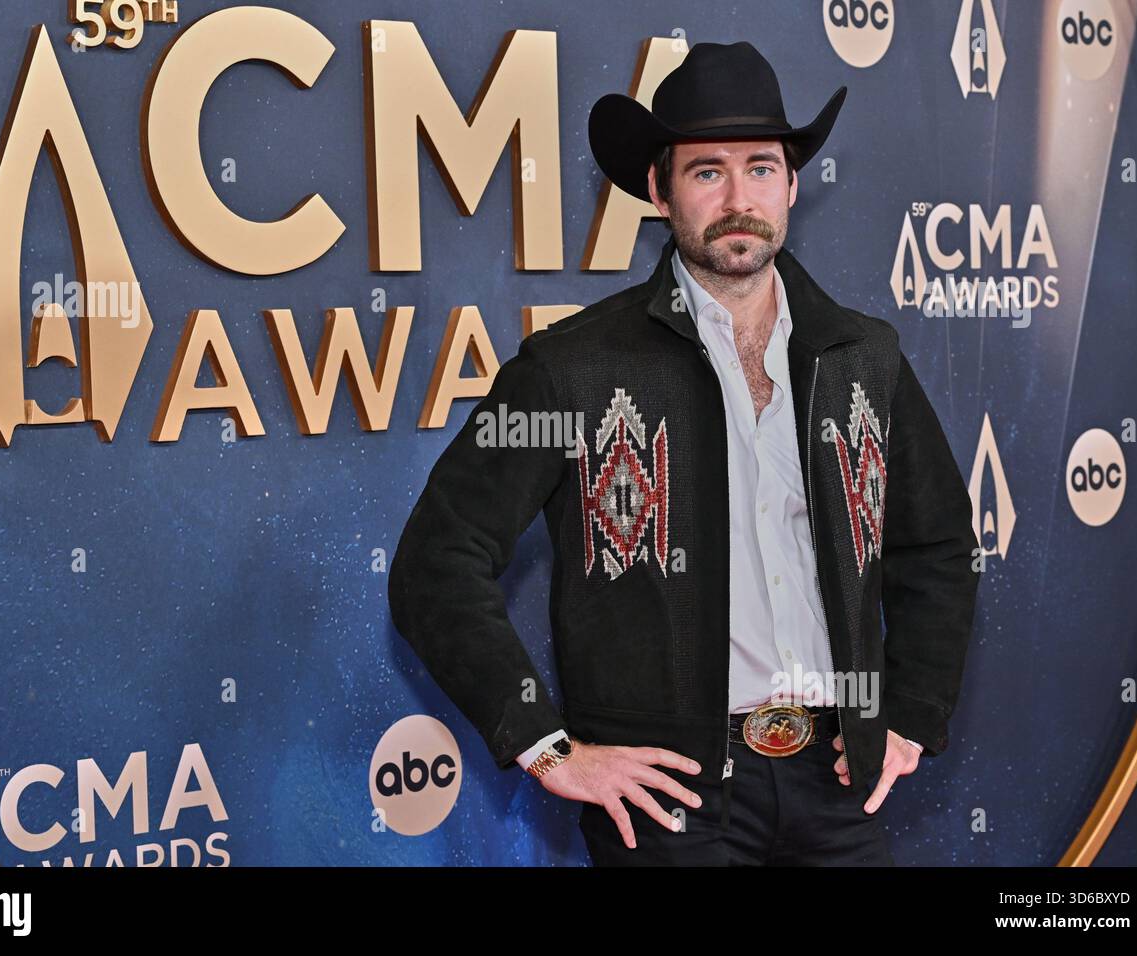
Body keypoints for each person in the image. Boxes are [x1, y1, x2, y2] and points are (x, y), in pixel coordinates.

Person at [388, 40, 979, 865]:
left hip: (837, 783)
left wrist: (911, 710)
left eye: (761, 167)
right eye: (708, 171)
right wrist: (544, 744)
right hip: (672, 808)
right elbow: (436, 559)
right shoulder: (571, 370)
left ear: (793, 185)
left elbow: (941, 544)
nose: (740, 197)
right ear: (659, 191)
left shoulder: (864, 357)